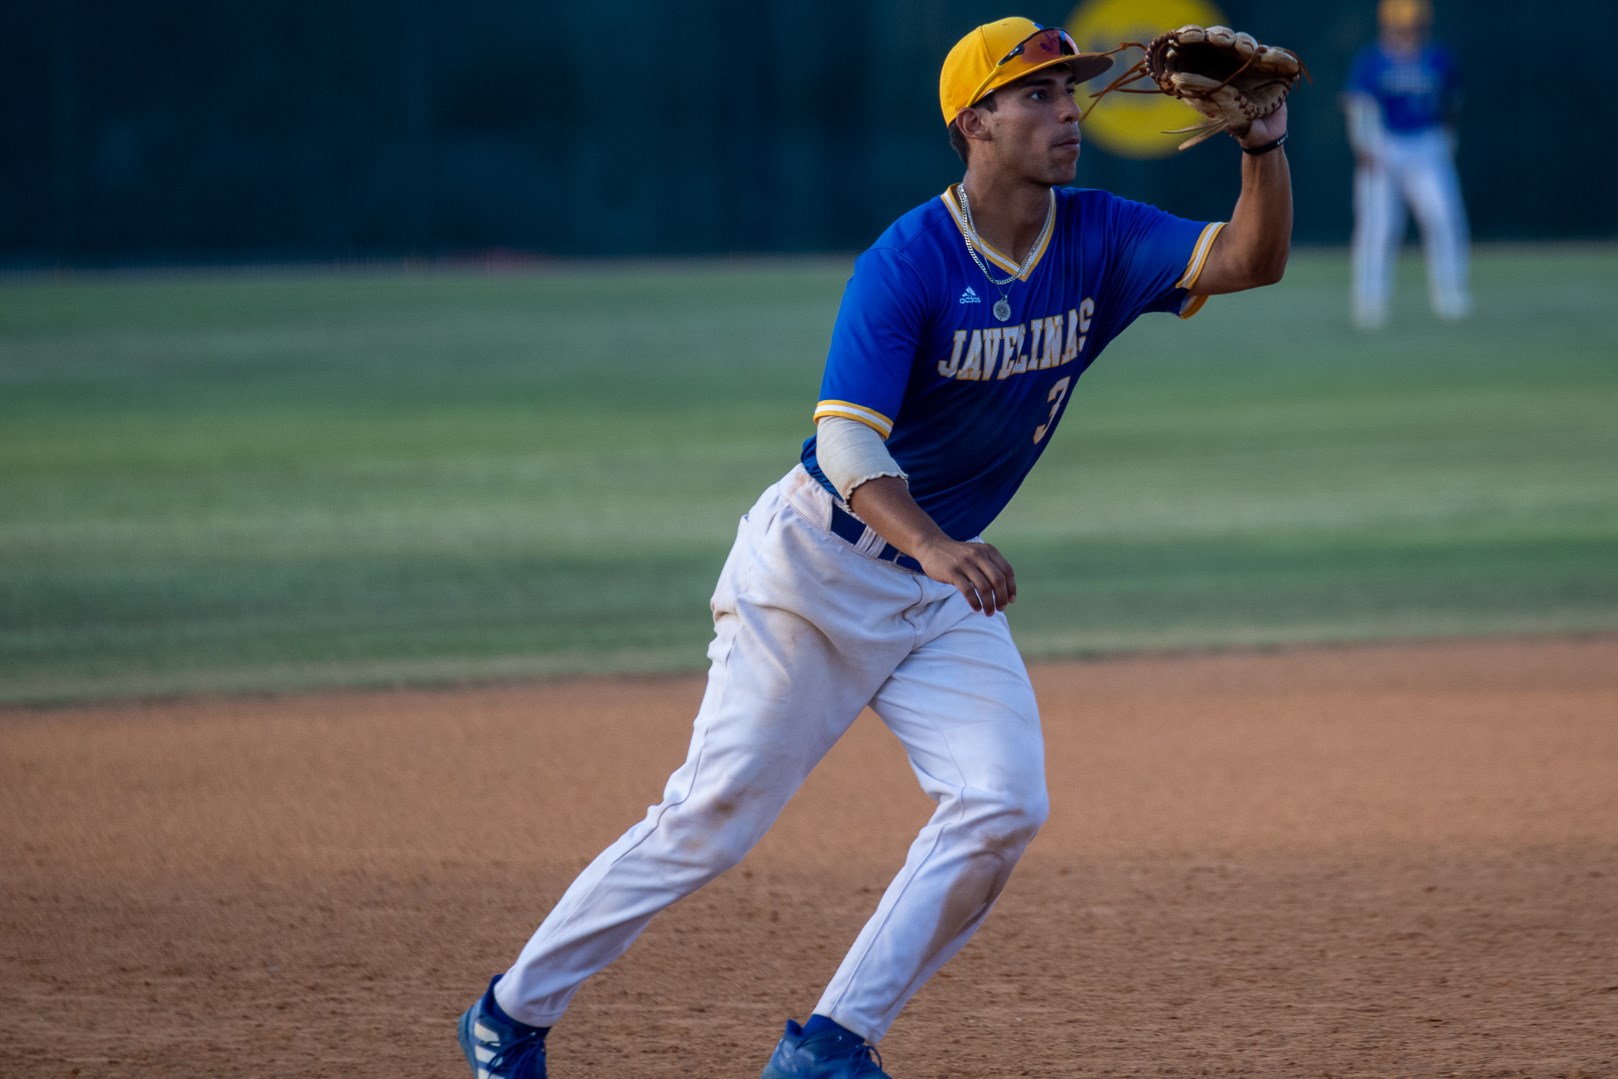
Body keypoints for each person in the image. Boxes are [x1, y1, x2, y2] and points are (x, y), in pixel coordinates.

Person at [455, 16, 1295, 1079]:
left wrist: (1262, 145)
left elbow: (1249, 260)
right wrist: (940, 546)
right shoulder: (910, 260)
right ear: (975, 122)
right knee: (709, 820)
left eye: (1069, 89)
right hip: (816, 568)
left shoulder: (1098, 234)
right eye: (1036, 94)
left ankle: (828, 1043)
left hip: (932, 585)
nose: (1066, 109)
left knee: (1000, 802)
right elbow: (845, 438)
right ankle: (510, 1012)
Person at [1343, 0, 1470, 330]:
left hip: (1427, 143)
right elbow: (1357, 104)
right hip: (1384, 144)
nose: (1407, 31)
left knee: (1442, 215)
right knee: (1378, 226)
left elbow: (1452, 103)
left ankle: (1451, 295)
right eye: (1401, 24)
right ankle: (1369, 302)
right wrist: (1363, 143)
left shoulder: (1437, 58)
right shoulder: (1372, 60)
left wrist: (1446, 140)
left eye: (1412, 24)